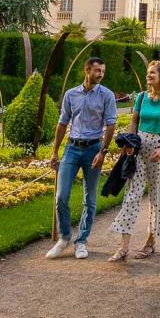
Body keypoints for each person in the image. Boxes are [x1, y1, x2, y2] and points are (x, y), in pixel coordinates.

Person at [108, 60, 160, 261]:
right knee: (132, 194)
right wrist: (130, 143)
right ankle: (123, 247)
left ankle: (150, 243)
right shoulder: (141, 97)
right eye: (148, 73)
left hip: (159, 151)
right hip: (139, 149)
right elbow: (134, 121)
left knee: (157, 198)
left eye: (152, 73)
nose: (148, 76)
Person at [46, 57, 118, 260]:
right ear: (86, 70)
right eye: (97, 71)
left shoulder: (107, 95)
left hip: (94, 148)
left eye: (103, 71)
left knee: (89, 198)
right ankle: (65, 237)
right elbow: (62, 124)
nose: (101, 74)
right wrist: (55, 152)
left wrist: (102, 152)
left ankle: (82, 241)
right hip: (72, 148)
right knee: (61, 196)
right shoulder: (71, 95)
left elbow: (111, 125)